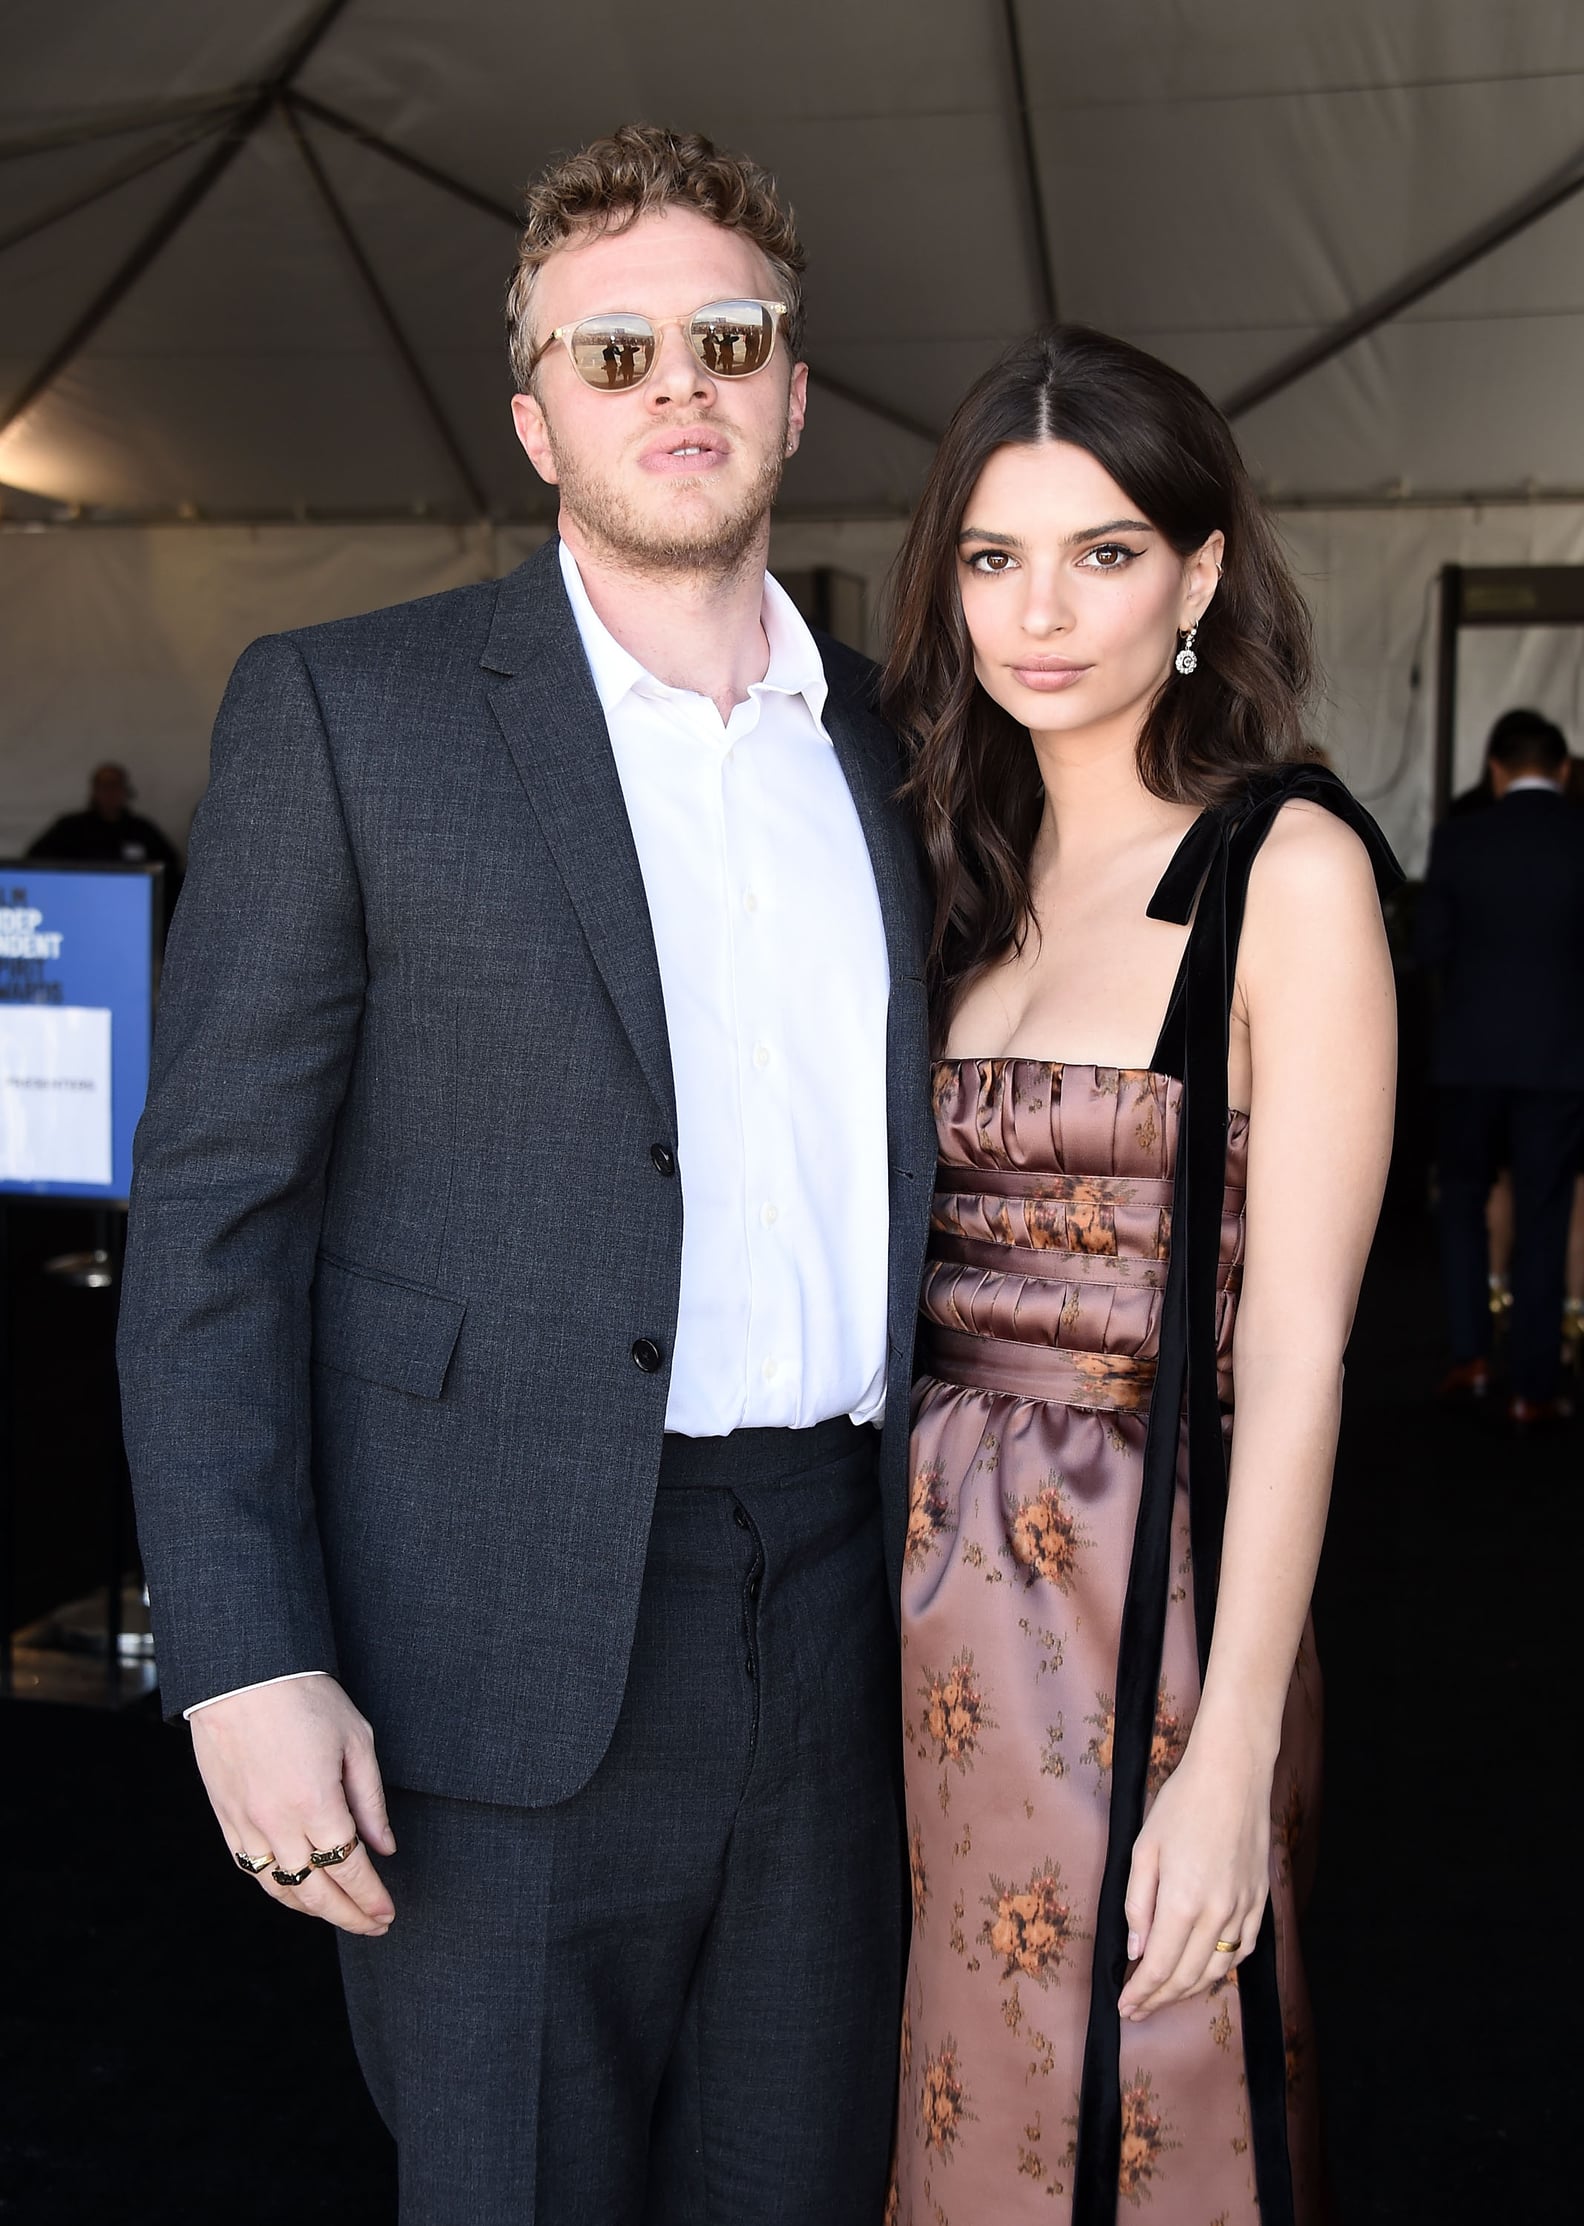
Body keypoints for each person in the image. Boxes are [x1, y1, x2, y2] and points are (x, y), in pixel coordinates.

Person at [117, 125, 936, 2224]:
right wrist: (239, 1647)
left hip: (853, 1615)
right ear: (533, 414)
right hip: (490, 1632)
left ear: (795, 386)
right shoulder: (349, 715)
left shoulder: (903, 751)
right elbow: (215, 1219)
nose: (680, 384)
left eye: (727, 337)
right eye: (617, 347)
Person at [878, 326, 1398, 2225]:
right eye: (992, 555)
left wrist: (1233, 1742)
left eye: (1101, 553)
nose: (1039, 609)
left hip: (1135, 1597)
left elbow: (1303, 1346)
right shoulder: (959, 866)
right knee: (950, 2088)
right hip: (919, 1581)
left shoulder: (1289, 867)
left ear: (1193, 576)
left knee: (1143, 2100)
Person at [1418, 709, 1584, 1424]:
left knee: (1462, 1202)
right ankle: (1535, 1388)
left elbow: (1429, 952)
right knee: (1546, 1214)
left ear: (1494, 771)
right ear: (1566, 770)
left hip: (1468, 1057)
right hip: (1562, 1060)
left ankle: (1471, 1358)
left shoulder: (1459, 840)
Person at [27, 760, 183, 916]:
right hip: (77, 906)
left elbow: (169, 867)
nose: (110, 793)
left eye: (116, 786)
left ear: (125, 791)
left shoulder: (142, 829)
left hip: (131, 909)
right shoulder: (70, 828)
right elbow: (36, 860)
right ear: (94, 791)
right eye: (105, 786)